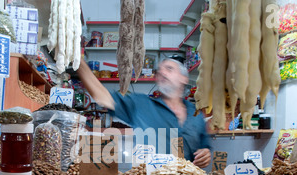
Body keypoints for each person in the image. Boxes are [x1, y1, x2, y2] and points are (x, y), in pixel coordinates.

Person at [77, 57, 212, 168]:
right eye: (159, 71)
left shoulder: (196, 114)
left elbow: (204, 146)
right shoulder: (141, 104)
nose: (162, 73)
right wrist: (78, 60)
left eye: (169, 69)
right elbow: (103, 97)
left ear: (184, 78)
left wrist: (205, 153)